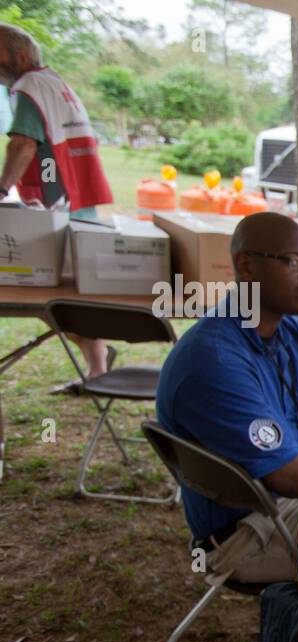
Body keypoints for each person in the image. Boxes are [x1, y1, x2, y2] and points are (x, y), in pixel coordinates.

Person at [156, 212, 298, 584]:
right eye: (294, 261)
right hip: (247, 534)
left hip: (287, 506)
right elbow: (290, 477)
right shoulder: (214, 359)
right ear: (247, 266)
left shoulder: (295, 334)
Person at [0, 24, 115, 380]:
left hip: (60, 197)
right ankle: (97, 365)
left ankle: (97, 362)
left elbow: (24, 144)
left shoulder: (28, 86)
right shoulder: (53, 81)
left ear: (19, 56)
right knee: (64, 287)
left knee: (46, 286)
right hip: (76, 191)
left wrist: (2, 190)